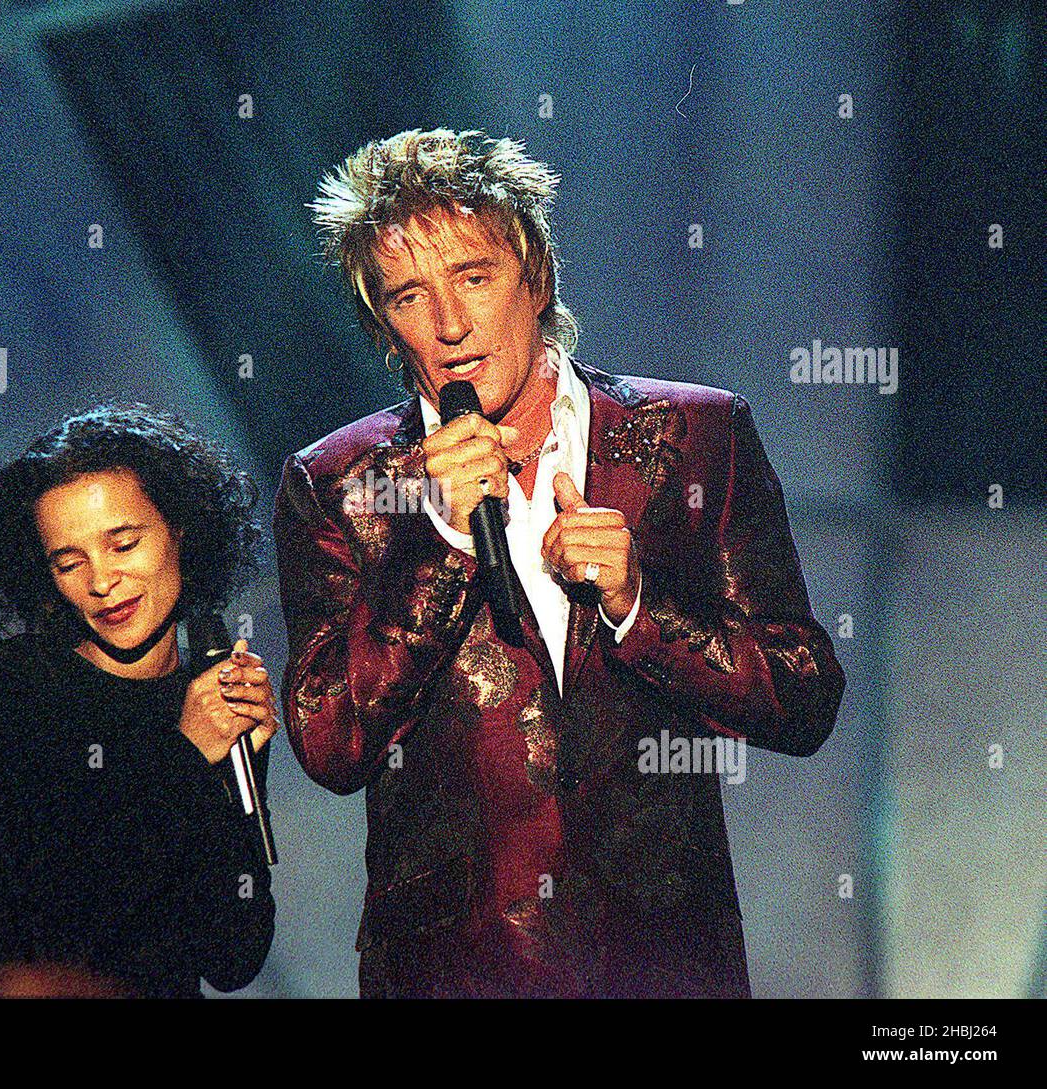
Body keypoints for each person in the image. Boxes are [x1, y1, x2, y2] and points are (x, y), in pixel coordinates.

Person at [274, 129, 847, 997]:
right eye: (410, 296)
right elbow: (329, 742)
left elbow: (803, 696)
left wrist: (638, 604)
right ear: (385, 325)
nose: (452, 324)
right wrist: (444, 542)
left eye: (473, 276)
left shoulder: (698, 435)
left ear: (535, 276)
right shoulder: (341, 484)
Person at [0, 403, 276, 997]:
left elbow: (233, 956)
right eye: (69, 561)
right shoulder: (16, 684)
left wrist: (242, 764)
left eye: (123, 544)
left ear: (181, 530)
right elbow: (62, 927)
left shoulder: (203, 700)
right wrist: (188, 755)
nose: (101, 582)